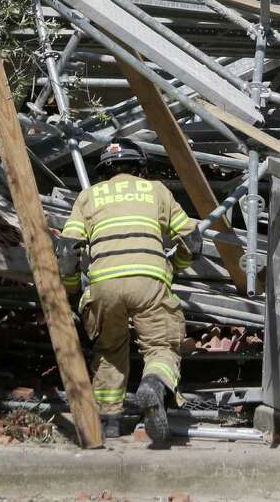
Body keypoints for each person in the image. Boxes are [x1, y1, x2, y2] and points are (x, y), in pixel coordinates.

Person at [61, 138, 204, 444]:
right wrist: (174, 267)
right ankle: (153, 383)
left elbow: (67, 253)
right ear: (140, 167)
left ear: (104, 171)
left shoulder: (88, 196)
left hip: (103, 285)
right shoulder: (156, 191)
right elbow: (192, 240)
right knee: (161, 347)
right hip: (148, 281)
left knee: (109, 352)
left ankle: (110, 423)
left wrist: (73, 293)